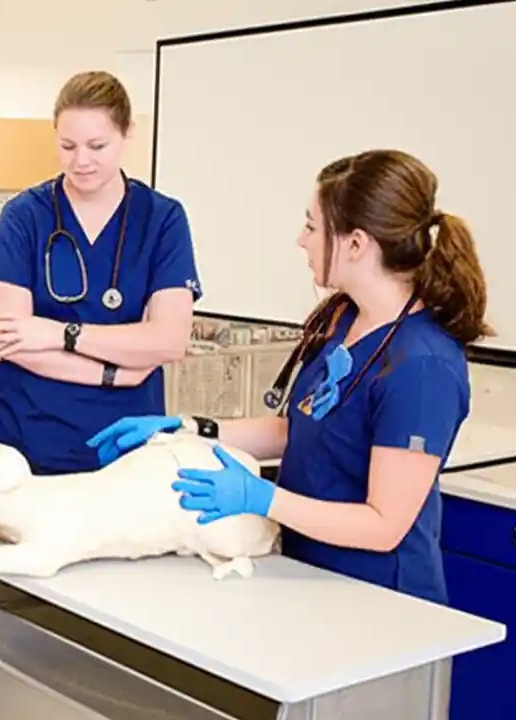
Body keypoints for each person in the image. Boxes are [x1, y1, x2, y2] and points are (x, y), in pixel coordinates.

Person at [90, 149, 491, 606]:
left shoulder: (422, 368)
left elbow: (383, 525)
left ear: (357, 243)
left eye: (313, 226)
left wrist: (263, 499)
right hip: (307, 574)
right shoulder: (344, 319)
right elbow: (298, 428)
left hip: (382, 600)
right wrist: (191, 428)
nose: (301, 240)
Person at [0, 70, 202, 474]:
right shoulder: (25, 215)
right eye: (67, 146)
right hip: (28, 442)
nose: (81, 161)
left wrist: (60, 333)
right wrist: (116, 371)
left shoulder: (162, 218)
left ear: (127, 132)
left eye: (97, 145)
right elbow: (11, 340)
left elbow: (169, 340)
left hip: (125, 446)